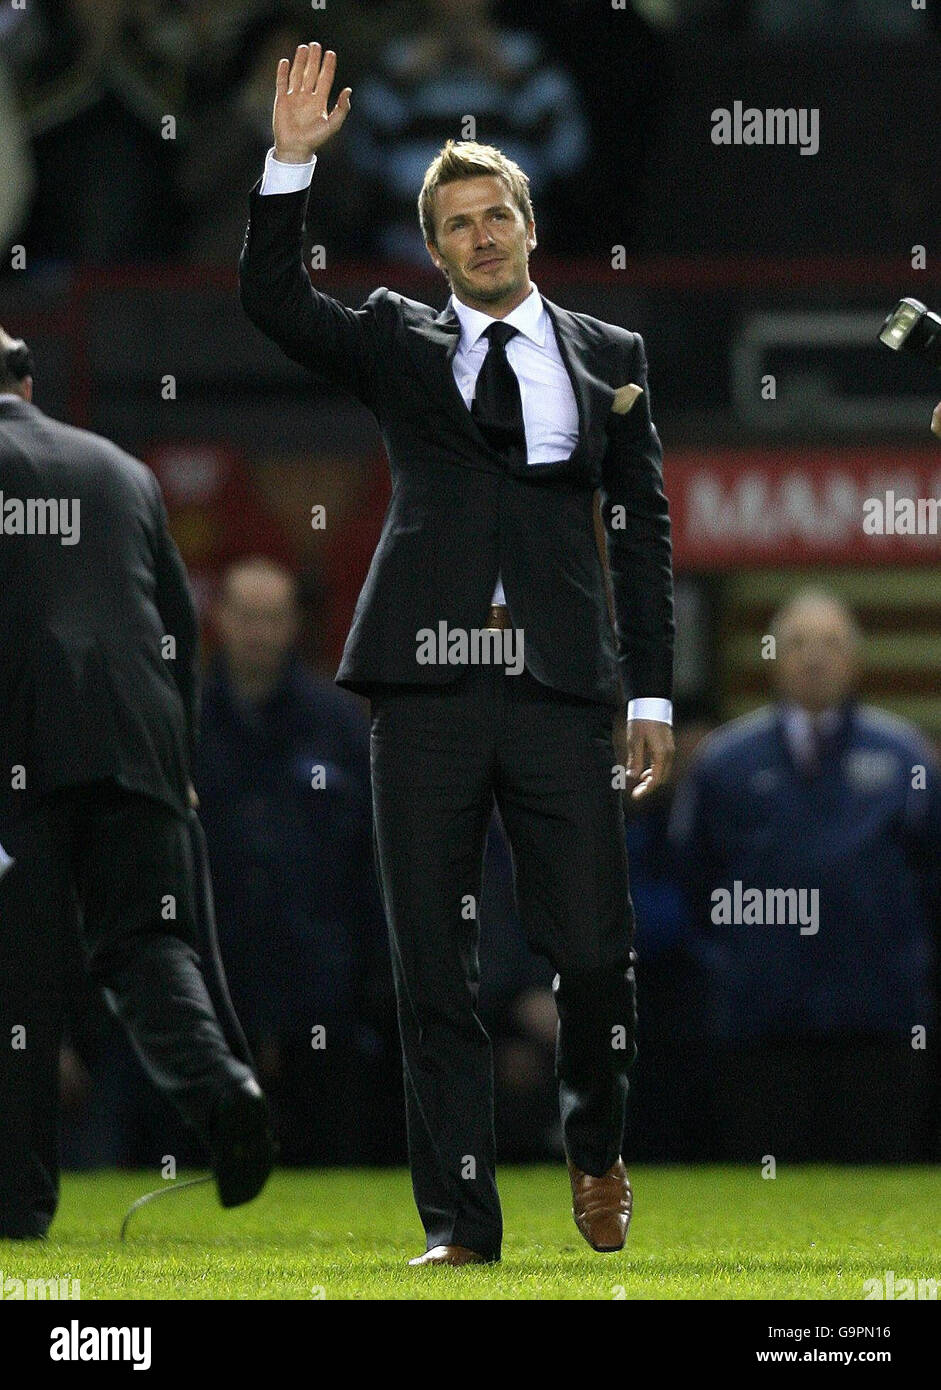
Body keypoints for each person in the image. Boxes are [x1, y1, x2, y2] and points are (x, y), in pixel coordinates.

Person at [239, 44, 675, 1265]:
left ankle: (594, 1148)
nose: (482, 239)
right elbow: (275, 307)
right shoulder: (392, 339)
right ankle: (461, 1226)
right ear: (431, 253)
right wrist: (287, 167)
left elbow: (640, 543)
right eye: (456, 227)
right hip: (422, 691)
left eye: (497, 217)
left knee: (593, 954)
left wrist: (649, 691)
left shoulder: (612, 359)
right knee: (431, 968)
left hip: (557, 691)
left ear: (530, 226)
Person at [0, 327, 274, 1239]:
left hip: (23, 751)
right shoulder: (122, 468)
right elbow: (176, 630)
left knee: (19, 985)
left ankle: (19, 1207)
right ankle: (222, 1089)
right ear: (29, 383)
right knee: (147, 947)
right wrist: (181, 764)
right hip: (141, 741)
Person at [669, 589, 940, 1161]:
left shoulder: (905, 758)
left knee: (876, 1201)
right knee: (761, 1202)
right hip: (758, 1023)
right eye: (798, 644)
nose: (814, 658)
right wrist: (730, 964)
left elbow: (931, 878)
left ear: (856, 659)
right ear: (770, 656)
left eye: (831, 644)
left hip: (878, 1021)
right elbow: (692, 879)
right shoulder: (723, 762)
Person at [194, 557, 401, 1164]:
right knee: (210, 1164)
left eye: (273, 618)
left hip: (324, 992)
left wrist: (369, 980)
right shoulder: (182, 723)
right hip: (214, 979)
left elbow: (372, 858)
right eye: (246, 616)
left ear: (293, 625)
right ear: (220, 619)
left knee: (328, 1159)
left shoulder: (337, 726)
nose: (258, 633)